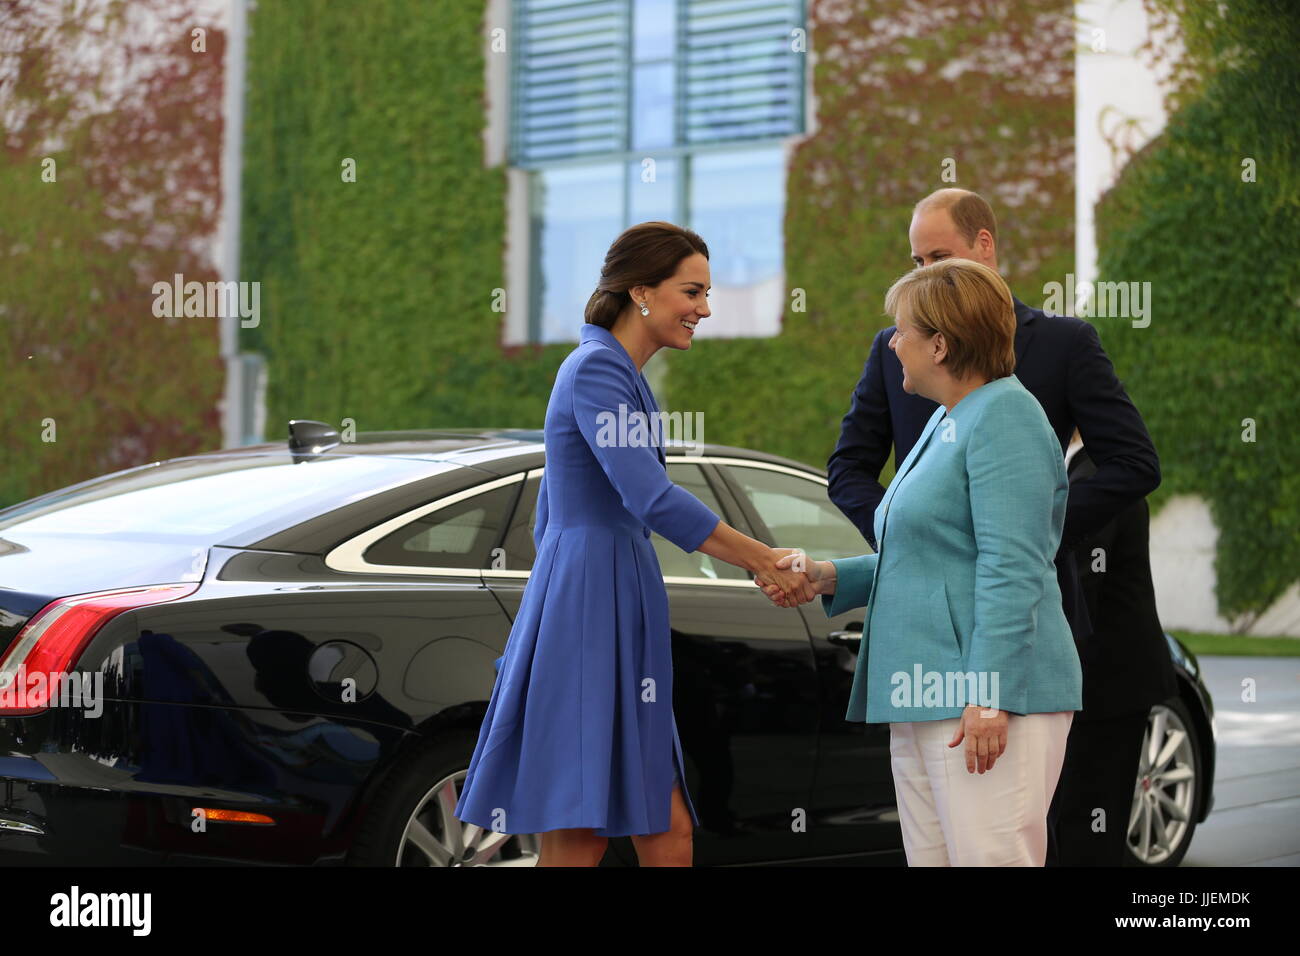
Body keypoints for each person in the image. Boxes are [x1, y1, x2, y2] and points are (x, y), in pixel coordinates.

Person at [453, 221, 813, 867]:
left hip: (601, 591)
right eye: (692, 291)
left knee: (601, 826)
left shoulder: (614, 370)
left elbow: (562, 511)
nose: (704, 309)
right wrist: (763, 558)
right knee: (615, 826)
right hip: (593, 598)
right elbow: (651, 498)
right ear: (641, 292)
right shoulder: (598, 370)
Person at [765, 258, 1082, 866]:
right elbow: (927, 554)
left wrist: (990, 694)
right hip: (927, 694)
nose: (892, 342)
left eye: (903, 329)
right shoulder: (949, 419)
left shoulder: (1006, 416)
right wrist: (829, 576)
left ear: (940, 344)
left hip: (981, 699)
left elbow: (1011, 568)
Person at [826, 188, 1161, 649]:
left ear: (985, 244)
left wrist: (1037, 530)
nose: (928, 273)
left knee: (1013, 718)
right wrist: (911, 536)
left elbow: (1133, 463)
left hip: (1030, 605)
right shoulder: (893, 348)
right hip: (923, 607)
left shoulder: (1065, 343)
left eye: (939, 256)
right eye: (918, 262)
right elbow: (847, 469)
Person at [1048, 430, 1178, 865]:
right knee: (1081, 821)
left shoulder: (1101, 473)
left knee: (1087, 827)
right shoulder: (1085, 467)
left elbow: (1083, 584)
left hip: (1105, 685)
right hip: (1105, 681)